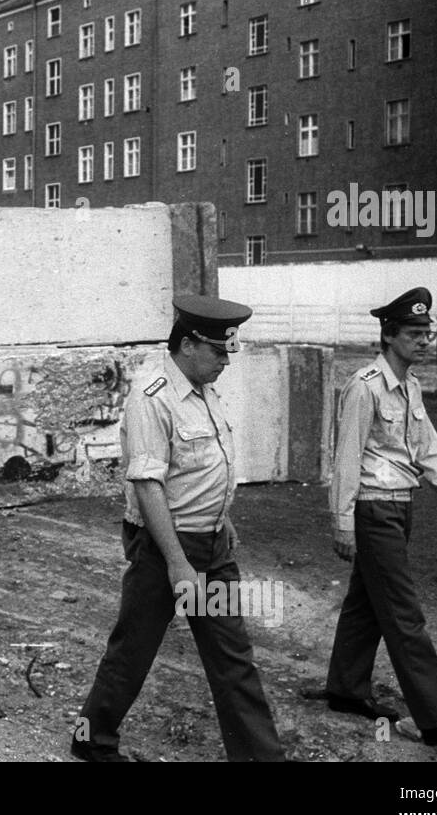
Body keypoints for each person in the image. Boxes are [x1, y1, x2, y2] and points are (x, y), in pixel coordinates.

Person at [71, 295, 285, 762]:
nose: (226, 361)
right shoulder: (153, 397)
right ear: (188, 344)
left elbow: (202, 470)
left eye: (229, 351)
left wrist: (220, 520)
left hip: (211, 545)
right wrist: (177, 563)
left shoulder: (204, 389)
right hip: (165, 545)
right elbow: (149, 486)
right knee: (134, 648)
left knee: (233, 656)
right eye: (218, 351)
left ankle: (260, 758)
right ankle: (91, 736)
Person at [321, 287, 437, 748]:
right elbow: (347, 458)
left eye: (427, 332)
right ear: (389, 335)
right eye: (414, 333)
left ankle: (345, 689)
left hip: (399, 507)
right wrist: (343, 522)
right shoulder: (365, 386)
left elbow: (427, 447)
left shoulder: (410, 386)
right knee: (403, 614)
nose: (425, 340)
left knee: (366, 602)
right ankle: (436, 721)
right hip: (374, 509)